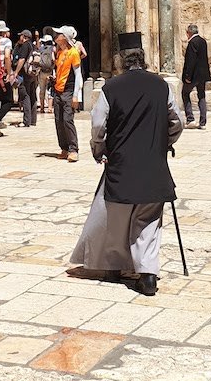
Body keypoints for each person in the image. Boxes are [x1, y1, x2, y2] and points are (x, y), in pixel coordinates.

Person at [70, 31, 183, 295]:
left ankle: (114, 267)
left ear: (121, 59)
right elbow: (176, 121)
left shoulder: (111, 88)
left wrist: (99, 150)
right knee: (149, 221)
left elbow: (98, 126)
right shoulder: (161, 86)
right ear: (143, 59)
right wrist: (165, 142)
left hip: (121, 165)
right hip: (154, 167)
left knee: (118, 219)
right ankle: (148, 275)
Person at [53, 26, 83, 162]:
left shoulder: (73, 53)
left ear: (64, 37)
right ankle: (64, 148)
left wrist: (76, 95)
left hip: (69, 91)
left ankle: (73, 149)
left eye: (59, 33)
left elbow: (78, 75)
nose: (56, 35)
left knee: (67, 119)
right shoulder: (59, 53)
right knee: (58, 121)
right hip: (58, 90)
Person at [181, 23, 211, 129]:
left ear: (189, 32)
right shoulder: (203, 41)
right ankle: (203, 122)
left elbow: (191, 61)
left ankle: (190, 119)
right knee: (201, 96)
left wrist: (188, 76)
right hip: (202, 75)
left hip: (194, 75)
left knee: (185, 93)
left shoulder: (192, 43)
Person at [12, 29, 37, 127]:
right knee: (32, 96)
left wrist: (16, 72)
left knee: (25, 96)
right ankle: (33, 120)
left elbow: (22, 59)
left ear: (24, 36)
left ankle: (26, 121)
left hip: (24, 74)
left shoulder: (25, 46)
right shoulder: (33, 46)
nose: (20, 38)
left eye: (21, 36)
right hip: (33, 74)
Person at [38, 33, 55, 114]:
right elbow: (54, 59)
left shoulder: (41, 49)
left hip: (42, 71)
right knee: (50, 89)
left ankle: (41, 108)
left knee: (42, 90)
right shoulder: (53, 49)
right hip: (50, 71)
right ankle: (50, 107)